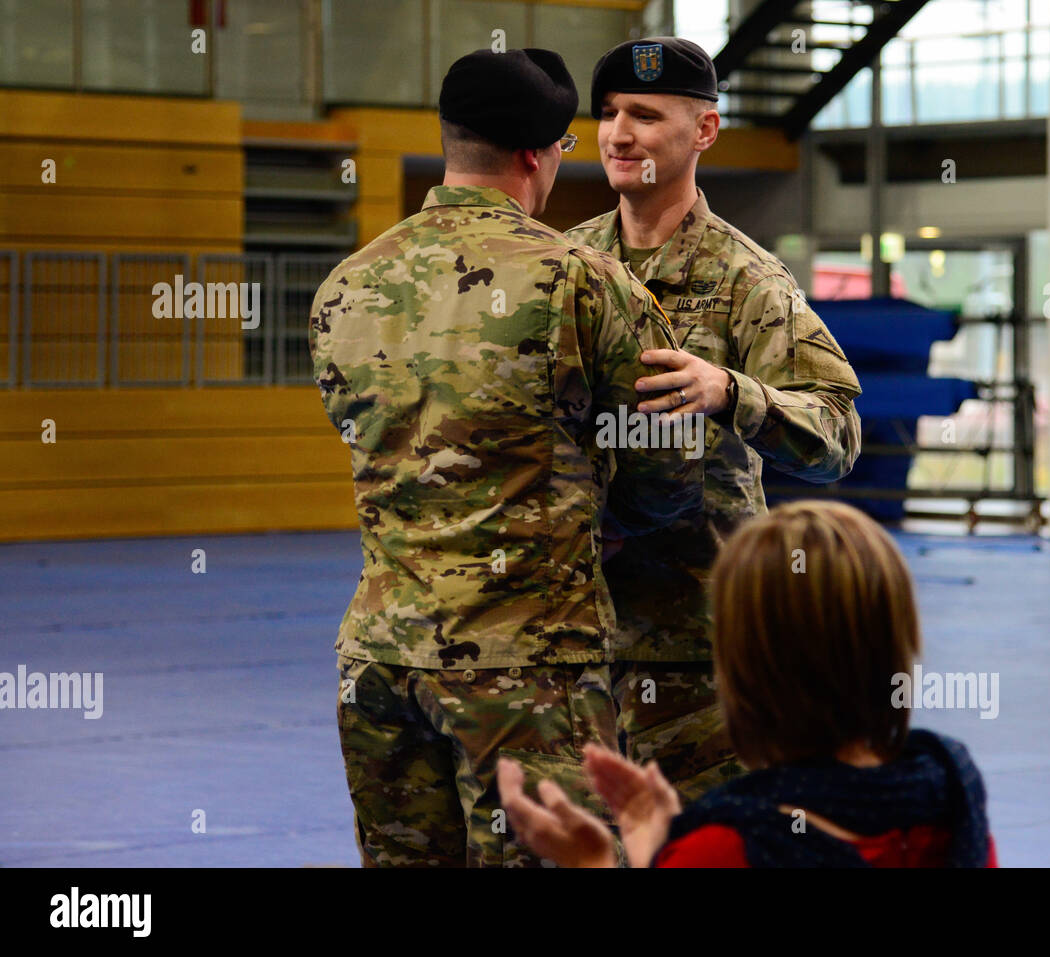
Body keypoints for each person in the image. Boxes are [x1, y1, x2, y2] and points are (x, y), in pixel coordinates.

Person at [308, 47, 703, 867]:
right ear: (538, 152)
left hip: (378, 661)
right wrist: (610, 518)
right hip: (527, 671)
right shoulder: (580, 281)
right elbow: (670, 466)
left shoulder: (345, 285)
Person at [563, 37, 864, 802]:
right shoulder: (563, 266)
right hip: (574, 641)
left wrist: (733, 392)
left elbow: (837, 432)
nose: (618, 134)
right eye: (607, 113)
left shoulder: (746, 280)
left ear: (704, 132)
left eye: (645, 114)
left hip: (694, 651)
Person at [500, 500, 998, 868]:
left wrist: (597, 862)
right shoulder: (952, 796)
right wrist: (659, 843)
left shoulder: (731, 844)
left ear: (741, 666)